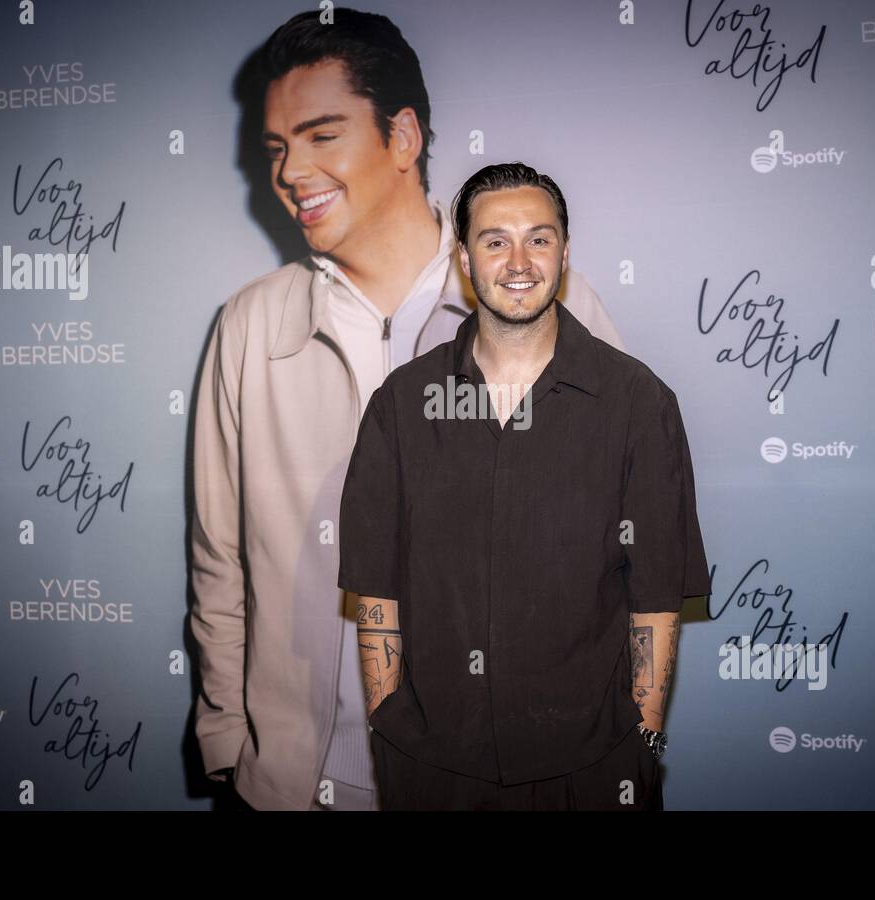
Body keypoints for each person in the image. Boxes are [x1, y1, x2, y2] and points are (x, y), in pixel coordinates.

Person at [189, 10, 624, 811]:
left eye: (322, 136)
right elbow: (221, 559)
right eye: (279, 148)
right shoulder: (250, 325)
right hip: (298, 784)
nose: (291, 171)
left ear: (403, 137)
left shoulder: (552, 301)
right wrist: (226, 737)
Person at [338, 162, 714, 810]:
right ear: (464, 258)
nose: (519, 260)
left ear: (565, 252)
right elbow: (377, 591)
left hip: (592, 774)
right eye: (494, 240)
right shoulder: (401, 406)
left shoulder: (637, 404)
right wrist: (388, 728)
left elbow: (655, 599)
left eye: (539, 238)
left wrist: (642, 740)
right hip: (433, 773)